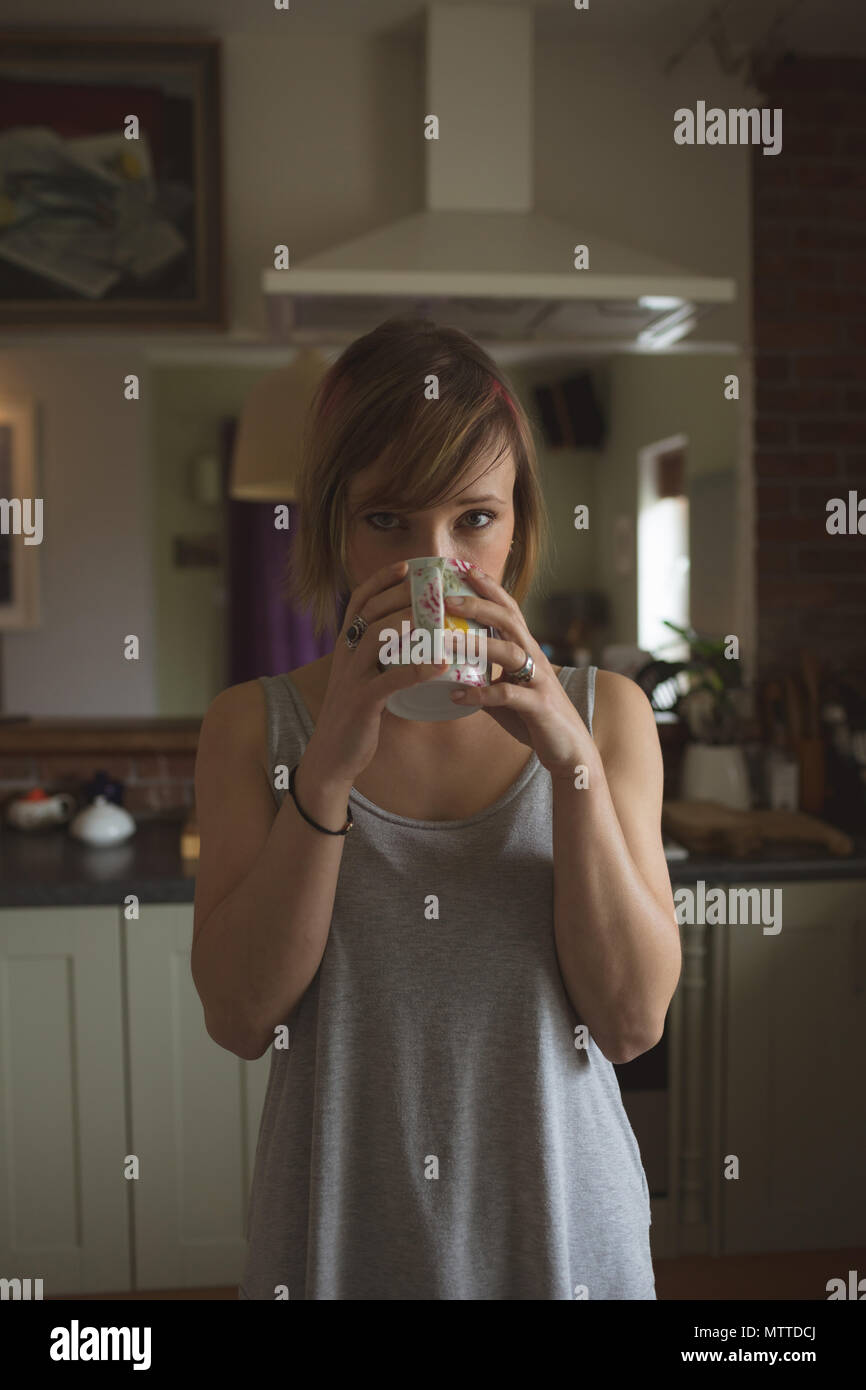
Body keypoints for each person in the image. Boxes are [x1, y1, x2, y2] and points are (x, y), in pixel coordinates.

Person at [192, 316, 682, 1300]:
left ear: (518, 523)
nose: (436, 563)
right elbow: (242, 1017)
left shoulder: (607, 716)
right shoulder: (255, 728)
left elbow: (630, 1021)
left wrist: (568, 764)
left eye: (473, 519)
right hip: (339, 1246)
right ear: (332, 523)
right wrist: (326, 767)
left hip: (564, 1245)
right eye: (386, 519)